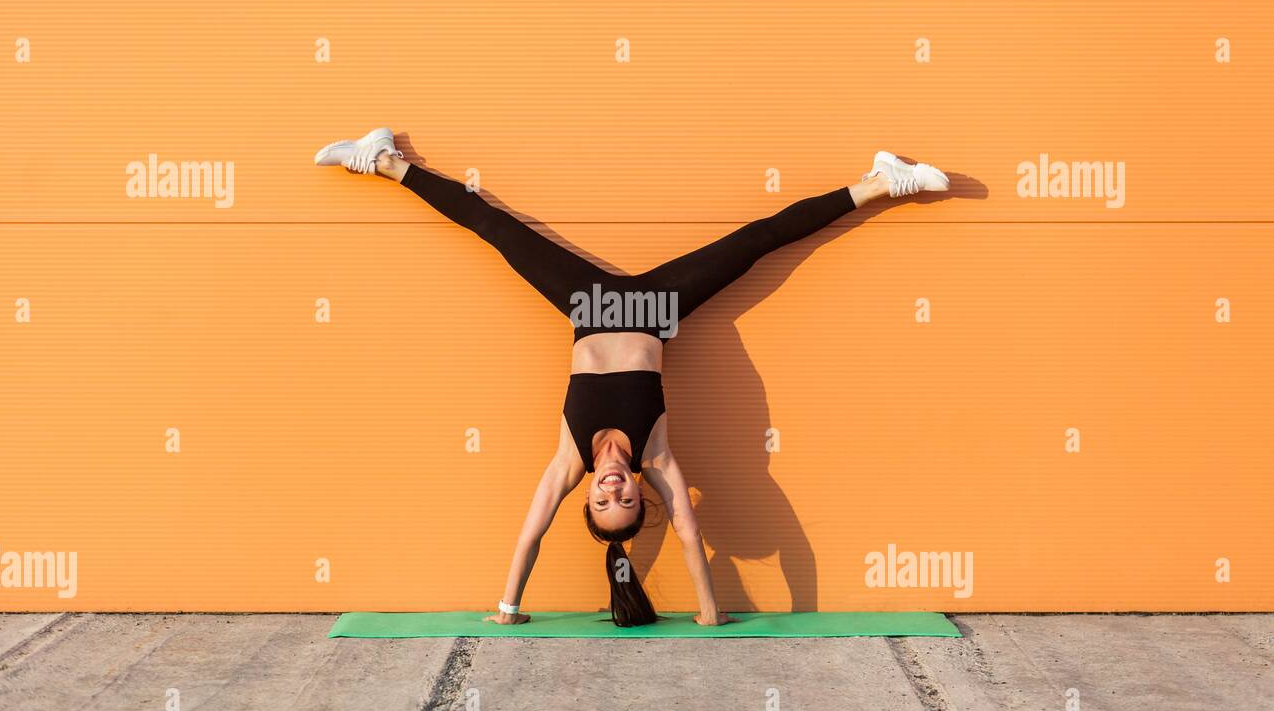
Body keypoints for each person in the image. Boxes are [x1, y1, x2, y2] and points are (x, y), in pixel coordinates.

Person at [316, 128, 949, 625]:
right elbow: (691, 531)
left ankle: (385, 161)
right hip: (655, 306)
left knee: (493, 227)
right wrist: (707, 610)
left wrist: (509, 607)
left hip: (587, 305)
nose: (613, 490)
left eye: (601, 500)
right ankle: (879, 183)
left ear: (588, 494)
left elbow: (531, 530)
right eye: (625, 501)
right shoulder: (658, 457)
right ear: (640, 496)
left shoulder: (569, 459)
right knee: (760, 238)